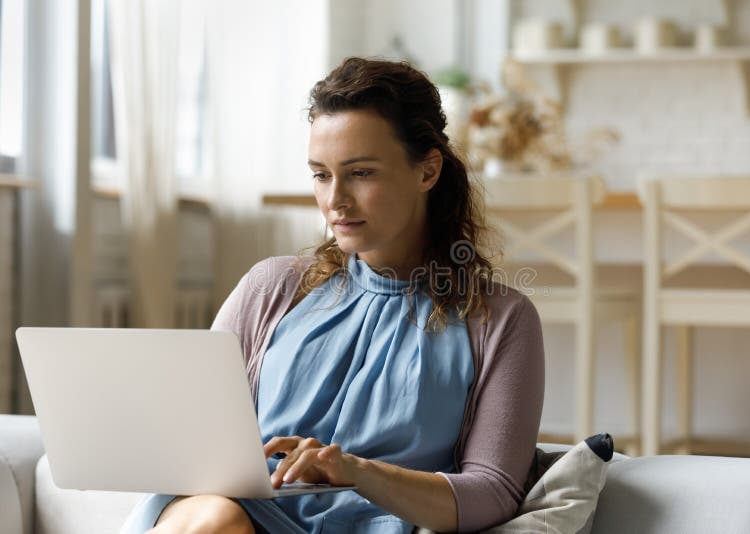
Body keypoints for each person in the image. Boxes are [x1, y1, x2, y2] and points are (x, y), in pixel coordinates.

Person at [122, 56, 545, 534]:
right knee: (218, 516)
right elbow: (191, 435)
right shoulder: (271, 288)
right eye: (321, 174)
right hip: (229, 515)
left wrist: (357, 473)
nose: (335, 200)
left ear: (428, 171)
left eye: (361, 173)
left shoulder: (500, 320)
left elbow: (493, 492)